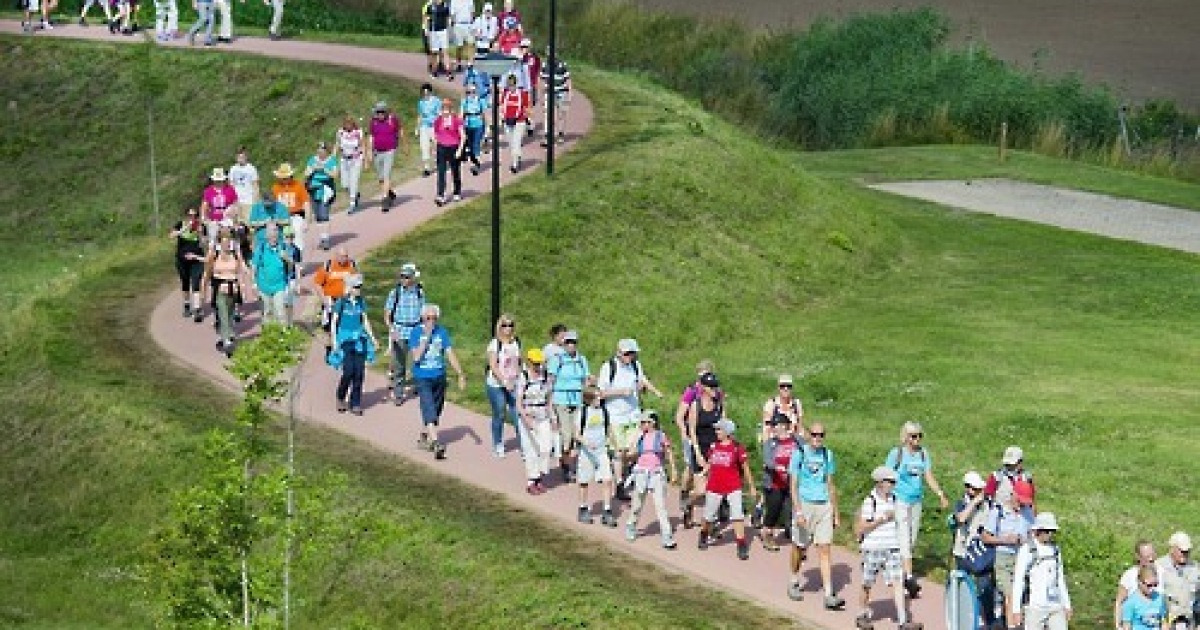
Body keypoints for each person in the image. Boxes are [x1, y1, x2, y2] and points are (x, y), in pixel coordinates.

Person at [884, 421, 950, 599]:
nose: (917, 439)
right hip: (900, 500)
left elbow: (928, 475)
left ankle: (899, 571)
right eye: (913, 436)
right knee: (904, 537)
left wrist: (940, 494)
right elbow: (886, 476)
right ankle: (909, 579)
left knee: (910, 540)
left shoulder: (923, 454)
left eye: (920, 435)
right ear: (905, 437)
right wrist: (885, 499)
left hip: (916, 501)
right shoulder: (896, 454)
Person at [854, 466, 922, 630]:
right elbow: (862, 527)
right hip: (873, 548)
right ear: (880, 482)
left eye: (894, 482)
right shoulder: (870, 501)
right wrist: (882, 519)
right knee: (867, 584)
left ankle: (902, 620)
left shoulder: (895, 500)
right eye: (889, 482)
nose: (892, 485)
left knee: (897, 582)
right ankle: (862, 614)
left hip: (892, 547)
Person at [597, 338, 664, 501]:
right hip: (615, 416)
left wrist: (654, 391)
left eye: (632, 354)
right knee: (620, 452)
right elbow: (601, 393)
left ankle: (625, 472)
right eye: (627, 354)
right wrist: (621, 392)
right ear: (619, 353)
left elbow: (642, 380)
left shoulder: (635, 365)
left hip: (633, 414)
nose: (630, 357)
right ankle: (619, 483)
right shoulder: (609, 367)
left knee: (635, 449)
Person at [787, 421, 844, 609]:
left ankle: (829, 594)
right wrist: (798, 511)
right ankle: (794, 579)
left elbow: (830, 484)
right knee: (799, 546)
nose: (817, 438)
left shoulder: (828, 455)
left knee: (825, 548)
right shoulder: (799, 454)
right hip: (805, 503)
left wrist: (836, 512)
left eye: (821, 435)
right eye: (814, 434)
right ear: (808, 435)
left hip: (824, 505)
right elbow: (793, 485)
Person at [409, 304, 466, 458]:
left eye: (434, 318)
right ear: (422, 318)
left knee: (436, 409)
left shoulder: (442, 333)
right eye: (428, 318)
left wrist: (460, 373)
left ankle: (424, 435)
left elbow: (449, 353)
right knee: (429, 407)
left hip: (439, 376)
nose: (431, 321)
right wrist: (426, 338)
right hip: (422, 376)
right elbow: (416, 357)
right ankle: (436, 443)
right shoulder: (415, 333)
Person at [697, 419, 756, 561]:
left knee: (737, 515)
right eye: (716, 430)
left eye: (719, 430)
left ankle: (741, 543)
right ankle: (704, 533)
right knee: (708, 516)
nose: (716, 432)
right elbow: (710, 463)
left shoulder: (737, 448)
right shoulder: (714, 446)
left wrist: (752, 486)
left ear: (727, 432)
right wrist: (703, 473)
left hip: (732, 486)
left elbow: (745, 468)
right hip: (715, 486)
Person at [624, 409, 678, 549]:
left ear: (652, 423)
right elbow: (633, 452)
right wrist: (627, 453)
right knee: (637, 503)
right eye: (642, 423)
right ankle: (631, 525)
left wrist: (673, 470)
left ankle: (666, 534)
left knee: (660, 505)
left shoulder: (660, 436)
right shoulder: (640, 437)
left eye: (645, 422)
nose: (643, 425)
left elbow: (668, 452)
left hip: (656, 474)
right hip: (641, 472)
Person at [982, 490, 1034, 629]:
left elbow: (1033, 535)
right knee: (1010, 595)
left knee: (1021, 597)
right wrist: (1005, 539)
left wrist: (1025, 540)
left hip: (1021, 558)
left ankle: (1010, 622)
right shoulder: (998, 511)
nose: (1021, 505)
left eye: (1024, 503)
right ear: (1013, 495)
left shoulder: (1027, 512)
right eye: (1020, 501)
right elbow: (985, 537)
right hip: (1002, 558)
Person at [674, 360, 719, 520]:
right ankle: (685, 494)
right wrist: (685, 435)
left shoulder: (717, 395)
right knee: (689, 469)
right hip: (693, 437)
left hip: (711, 442)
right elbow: (680, 417)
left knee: (714, 482)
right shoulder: (692, 392)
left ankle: (713, 517)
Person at [950, 471, 996, 628]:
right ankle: (962, 620)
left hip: (981, 552)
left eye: (979, 489)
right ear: (967, 488)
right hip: (962, 552)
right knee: (963, 587)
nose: (978, 492)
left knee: (985, 588)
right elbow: (961, 518)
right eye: (975, 489)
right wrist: (974, 502)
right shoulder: (961, 504)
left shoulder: (988, 503)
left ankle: (989, 622)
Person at [1011, 513, 1072, 630]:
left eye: (1052, 531)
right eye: (1047, 531)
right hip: (1035, 607)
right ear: (1038, 530)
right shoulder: (1027, 550)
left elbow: (1060, 579)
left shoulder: (1055, 550)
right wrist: (1016, 610)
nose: (1050, 534)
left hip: (1055, 605)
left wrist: (1067, 604)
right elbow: (1019, 580)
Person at [330, 275, 378, 416]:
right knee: (348, 371)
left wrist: (372, 338)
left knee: (359, 373)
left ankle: (355, 403)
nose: (359, 290)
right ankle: (341, 396)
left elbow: (365, 320)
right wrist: (334, 341)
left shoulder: (361, 302)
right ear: (350, 288)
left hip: (359, 339)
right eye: (356, 287)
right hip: (345, 340)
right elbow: (334, 322)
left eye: (360, 287)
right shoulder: (341, 302)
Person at [547, 329, 588, 483]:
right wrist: (549, 404)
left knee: (575, 436)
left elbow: (584, 379)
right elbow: (550, 381)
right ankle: (565, 464)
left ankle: (566, 465)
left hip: (577, 400)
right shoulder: (557, 359)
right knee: (567, 434)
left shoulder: (581, 360)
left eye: (573, 342)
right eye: (568, 342)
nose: (571, 346)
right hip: (561, 399)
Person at [683, 371, 723, 529]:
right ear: (704, 388)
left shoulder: (718, 403)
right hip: (700, 447)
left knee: (715, 489)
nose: (714, 389)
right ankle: (688, 504)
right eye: (711, 386)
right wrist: (698, 453)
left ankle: (711, 524)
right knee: (700, 490)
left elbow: (723, 424)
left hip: (715, 450)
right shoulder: (696, 405)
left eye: (715, 386)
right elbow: (692, 430)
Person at [383, 263, 425, 404]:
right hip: (399, 331)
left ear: (413, 278)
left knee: (417, 361)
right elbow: (387, 314)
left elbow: (424, 312)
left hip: (415, 331)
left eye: (407, 277)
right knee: (399, 364)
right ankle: (399, 393)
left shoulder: (419, 292)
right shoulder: (395, 293)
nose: (404, 280)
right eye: (402, 277)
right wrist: (392, 329)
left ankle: (419, 386)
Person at [576, 385, 617, 527]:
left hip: (601, 451)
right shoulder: (583, 412)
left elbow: (608, 429)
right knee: (584, 481)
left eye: (600, 396)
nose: (600, 399)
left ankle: (607, 511)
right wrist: (586, 443)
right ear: (589, 399)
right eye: (597, 397)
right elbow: (577, 434)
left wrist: (611, 443)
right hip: (587, 452)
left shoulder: (604, 411)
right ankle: (583, 507)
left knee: (608, 479)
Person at [516, 348, 553, 494]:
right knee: (530, 449)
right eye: (535, 363)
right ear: (529, 362)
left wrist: (553, 417)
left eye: (540, 363)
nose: (538, 366)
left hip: (543, 415)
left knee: (546, 446)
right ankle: (532, 481)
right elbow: (518, 402)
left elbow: (549, 398)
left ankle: (539, 475)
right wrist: (525, 418)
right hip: (528, 415)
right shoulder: (523, 377)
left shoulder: (546, 377)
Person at [485, 314, 522, 457]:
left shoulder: (516, 342)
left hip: (514, 383)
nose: (508, 328)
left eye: (510, 325)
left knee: (517, 413)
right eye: (504, 325)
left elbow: (518, 362)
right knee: (499, 413)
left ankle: (523, 444)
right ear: (499, 327)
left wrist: (519, 379)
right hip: (496, 385)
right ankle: (498, 443)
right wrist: (504, 381)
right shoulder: (495, 344)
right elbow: (493, 366)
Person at [759, 413, 796, 553]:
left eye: (776, 425)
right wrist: (780, 468)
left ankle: (794, 538)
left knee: (791, 510)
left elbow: (805, 453)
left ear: (784, 426)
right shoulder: (770, 443)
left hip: (793, 482)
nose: (773, 428)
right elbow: (768, 461)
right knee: (774, 510)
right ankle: (767, 534)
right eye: (772, 425)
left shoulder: (796, 441)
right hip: (775, 483)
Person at [206, 229, 247, 356]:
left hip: (233, 289)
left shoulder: (235, 255)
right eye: (224, 243)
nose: (226, 245)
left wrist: (243, 286)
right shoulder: (215, 254)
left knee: (230, 315)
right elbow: (208, 272)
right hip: (220, 289)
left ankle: (228, 336)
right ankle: (227, 342)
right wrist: (205, 286)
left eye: (228, 243)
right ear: (220, 243)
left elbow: (240, 271)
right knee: (222, 315)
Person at [313, 247, 358, 356]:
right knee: (329, 325)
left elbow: (356, 282)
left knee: (344, 324)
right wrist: (324, 299)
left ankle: (344, 347)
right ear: (336, 256)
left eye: (346, 256)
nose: (344, 259)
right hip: (331, 300)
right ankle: (331, 349)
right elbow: (317, 284)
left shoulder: (351, 265)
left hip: (346, 300)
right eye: (342, 256)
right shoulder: (328, 266)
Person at [366, 101, 406, 212]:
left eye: (382, 112)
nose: (380, 114)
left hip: (390, 150)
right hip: (377, 151)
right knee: (380, 177)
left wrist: (404, 144)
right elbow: (371, 136)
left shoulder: (392, 119)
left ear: (386, 112)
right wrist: (369, 151)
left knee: (386, 175)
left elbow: (400, 130)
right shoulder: (373, 122)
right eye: (378, 112)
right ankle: (389, 192)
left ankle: (384, 199)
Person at [253, 223, 293, 326]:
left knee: (280, 312)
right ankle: (269, 335)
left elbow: (291, 265)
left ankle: (282, 334)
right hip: (263, 286)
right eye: (271, 231)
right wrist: (254, 284)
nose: (274, 234)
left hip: (279, 285)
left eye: (275, 230)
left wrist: (287, 258)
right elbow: (254, 266)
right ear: (266, 234)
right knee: (267, 313)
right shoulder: (261, 248)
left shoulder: (283, 247)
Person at [170, 208, 206, 322]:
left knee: (196, 282)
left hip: (196, 259)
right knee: (185, 282)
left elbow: (204, 243)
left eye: (195, 215)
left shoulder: (200, 226)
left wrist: (200, 234)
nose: (193, 218)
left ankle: (197, 310)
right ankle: (186, 305)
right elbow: (171, 236)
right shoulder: (180, 224)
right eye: (190, 215)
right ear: (186, 216)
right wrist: (185, 228)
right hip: (182, 260)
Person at [1156, 532, 1200, 627]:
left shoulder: (1195, 567)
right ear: (1172, 549)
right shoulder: (1159, 566)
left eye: (1187, 551)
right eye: (1182, 551)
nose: (1185, 554)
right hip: (1166, 621)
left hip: (1189, 620)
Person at [1118, 541, 1163, 629]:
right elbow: (1119, 601)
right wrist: (1118, 625)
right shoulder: (1129, 575)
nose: (1151, 559)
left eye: (1152, 555)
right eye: (1147, 556)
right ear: (1138, 557)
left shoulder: (1162, 571)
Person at [305, 142, 339, 251]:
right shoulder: (312, 160)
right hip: (313, 190)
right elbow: (306, 173)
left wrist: (324, 169)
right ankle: (322, 237)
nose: (320, 152)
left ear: (326, 151)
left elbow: (335, 175)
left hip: (326, 190)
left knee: (324, 214)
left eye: (322, 150)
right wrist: (312, 169)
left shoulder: (331, 160)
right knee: (318, 215)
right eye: (318, 150)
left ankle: (326, 240)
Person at [271, 163, 311, 256]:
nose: (284, 180)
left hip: (296, 216)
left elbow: (306, 203)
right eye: (282, 178)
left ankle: (298, 264)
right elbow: (272, 204)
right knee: (282, 241)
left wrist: (307, 221)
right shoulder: (275, 187)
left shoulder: (298, 186)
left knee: (297, 240)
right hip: (280, 218)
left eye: (286, 177)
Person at [432, 99, 466, 206]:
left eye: (447, 109)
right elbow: (435, 134)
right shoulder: (438, 120)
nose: (445, 112)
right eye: (443, 109)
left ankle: (457, 191)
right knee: (441, 172)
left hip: (454, 147)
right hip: (442, 147)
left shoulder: (456, 120)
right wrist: (435, 146)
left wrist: (460, 150)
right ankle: (441, 195)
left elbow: (463, 136)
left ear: (451, 110)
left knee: (455, 171)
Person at [985, 445, 1037, 515]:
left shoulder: (1027, 478)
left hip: (1022, 515)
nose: (1009, 467)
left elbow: (1031, 501)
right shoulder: (996, 477)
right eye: (1007, 464)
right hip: (1001, 516)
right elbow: (987, 498)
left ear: (1020, 462)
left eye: (1012, 464)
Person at [761, 373, 805, 445]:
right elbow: (766, 429)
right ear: (778, 388)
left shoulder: (797, 403)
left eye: (788, 386)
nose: (786, 389)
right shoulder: (771, 404)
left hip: (793, 443)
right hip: (775, 443)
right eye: (782, 386)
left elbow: (800, 427)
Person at [498, 73, 530, 173]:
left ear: (516, 84)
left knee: (516, 141)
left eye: (512, 85)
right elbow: (502, 106)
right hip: (508, 121)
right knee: (511, 143)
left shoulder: (522, 94)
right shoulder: (505, 94)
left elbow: (527, 108)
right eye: (509, 85)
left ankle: (515, 164)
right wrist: (502, 118)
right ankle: (517, 157)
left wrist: (528, 119)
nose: (511, 87)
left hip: (519, 121)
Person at [539, 48, 571, 146]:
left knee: (561, 113)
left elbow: (568, 79)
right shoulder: (545, 65)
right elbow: (541, 79)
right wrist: (541, 94)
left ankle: (560, 134)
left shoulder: (562, 64)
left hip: (561, 91)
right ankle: (547, 135)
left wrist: (570, 93)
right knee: (548, 114)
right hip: (549, 92)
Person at [1122, 565, 1169, 630]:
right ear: (1139, 582)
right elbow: (1127, 625)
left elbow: (1164, 622)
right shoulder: (1130, 602)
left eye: (1155, 585)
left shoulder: (1160, 598)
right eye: (1149, 585)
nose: (1152, 588)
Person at [335, 116, 366, 214]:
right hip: (344, 160)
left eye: (350, 124)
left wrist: (365, 159)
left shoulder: (358, 132)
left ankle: (352, 203)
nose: (348, 126)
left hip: (356, 159)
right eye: (346, 124)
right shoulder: (340, 132)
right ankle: (356, 194)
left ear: (353, 124)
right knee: (345, 184)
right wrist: (332, 157)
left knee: (354, 181)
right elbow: (337, 144)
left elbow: (363, 145)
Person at [201, 167, 239, 243]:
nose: (218, 182)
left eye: (220, 180)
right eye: (216, 180)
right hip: (213, 218)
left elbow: (235, 204)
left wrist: (234, 217)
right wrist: (204, 218)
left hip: (227, 218)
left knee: (228, 238)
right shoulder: (208, 191)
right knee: (213, 238)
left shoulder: (230, 189)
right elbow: (204, 205)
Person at [460, 84, 487, 176]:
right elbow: (461, 114)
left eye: (473, 92)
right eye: (469, 92)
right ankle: (474, 160)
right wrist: (460, 126)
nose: (471, 94)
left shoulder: (481, 101)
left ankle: (475, 164)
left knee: (476, 144)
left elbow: (484, 114)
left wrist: (485, 128)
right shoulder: (465, 101)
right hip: (468, 124)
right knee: (470, 145)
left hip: (478, 124)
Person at [228, 148, 260, 222]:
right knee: (237, 223)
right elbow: (231, 185)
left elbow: (255, 185)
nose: (240, 159)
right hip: (237, 200)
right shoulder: (233, 169)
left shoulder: (251, 169)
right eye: (239, 157)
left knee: (249, 222)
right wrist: (231, 200)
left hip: (248, 200)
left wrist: (256, 200)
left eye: (242, 157)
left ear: (246, 157)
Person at [416, 84, 442, 177]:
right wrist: (417, 128)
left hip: (434, 126)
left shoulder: (436, 101)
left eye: (427, 93)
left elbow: (440, 114)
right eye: (424, 93)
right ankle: (426, 168)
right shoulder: (421, 103)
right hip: (424, 126)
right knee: (424, 146)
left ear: (431, 92)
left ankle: (438, 162)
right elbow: (420, 115)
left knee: (437, 145)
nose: (425, 95)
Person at [424, 0, 452, 79]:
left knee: (445, 52)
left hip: (443, 31)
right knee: (434, 53)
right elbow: (426, 18)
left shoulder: (445, 6)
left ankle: (448, 72)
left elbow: (448, 17)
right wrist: (426, 30)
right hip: (433, 32)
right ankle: (434, 71)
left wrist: (449, 28)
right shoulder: (430, 6)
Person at [448, 0, 474, 73]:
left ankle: (470, 64)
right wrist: (453, 26)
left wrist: (472, 24)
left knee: (471, 44)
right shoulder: (454, 1)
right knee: (459, 46)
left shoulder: (470, 1)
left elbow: (472, 12)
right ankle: (458, 63)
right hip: (458, 25)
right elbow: (452, 15)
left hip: (468, 25)